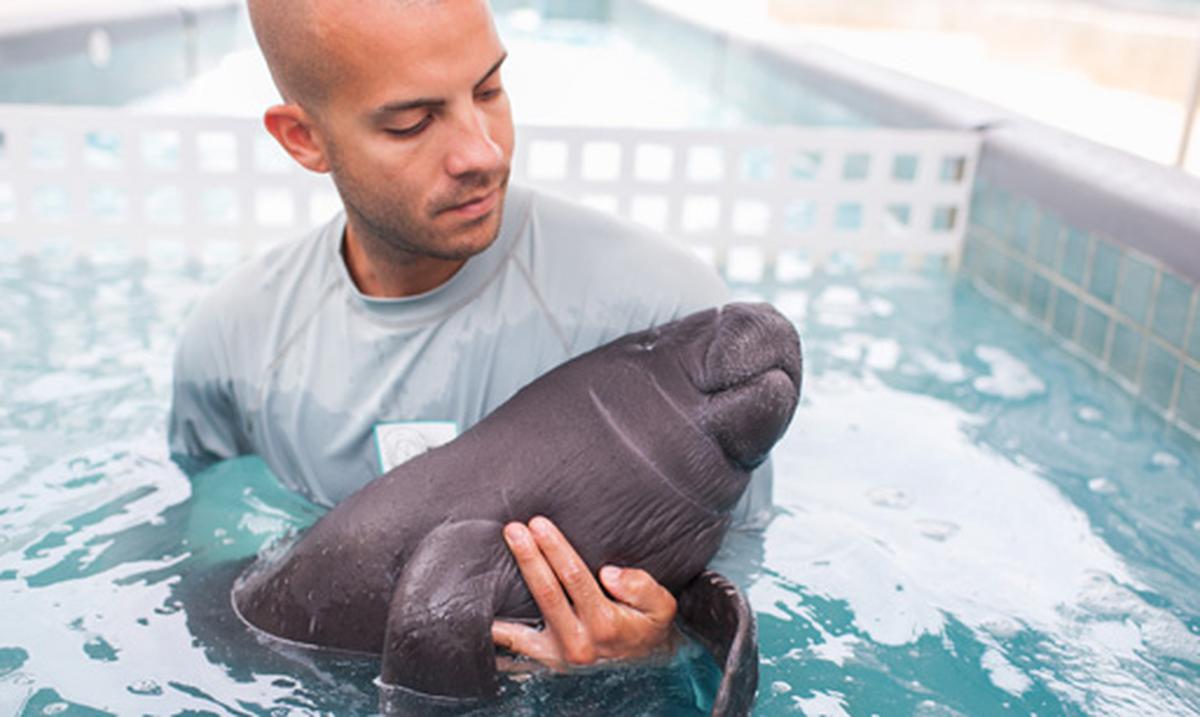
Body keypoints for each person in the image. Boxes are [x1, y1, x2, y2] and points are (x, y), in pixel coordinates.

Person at [169, 0, 771, 674]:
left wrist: (657, 653)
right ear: (303, 139)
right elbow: (213, 588)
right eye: (412, 122)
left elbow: (747, 569)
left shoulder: (669, 322)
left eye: (489, 89)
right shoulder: (232, 344)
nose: (482, 151)